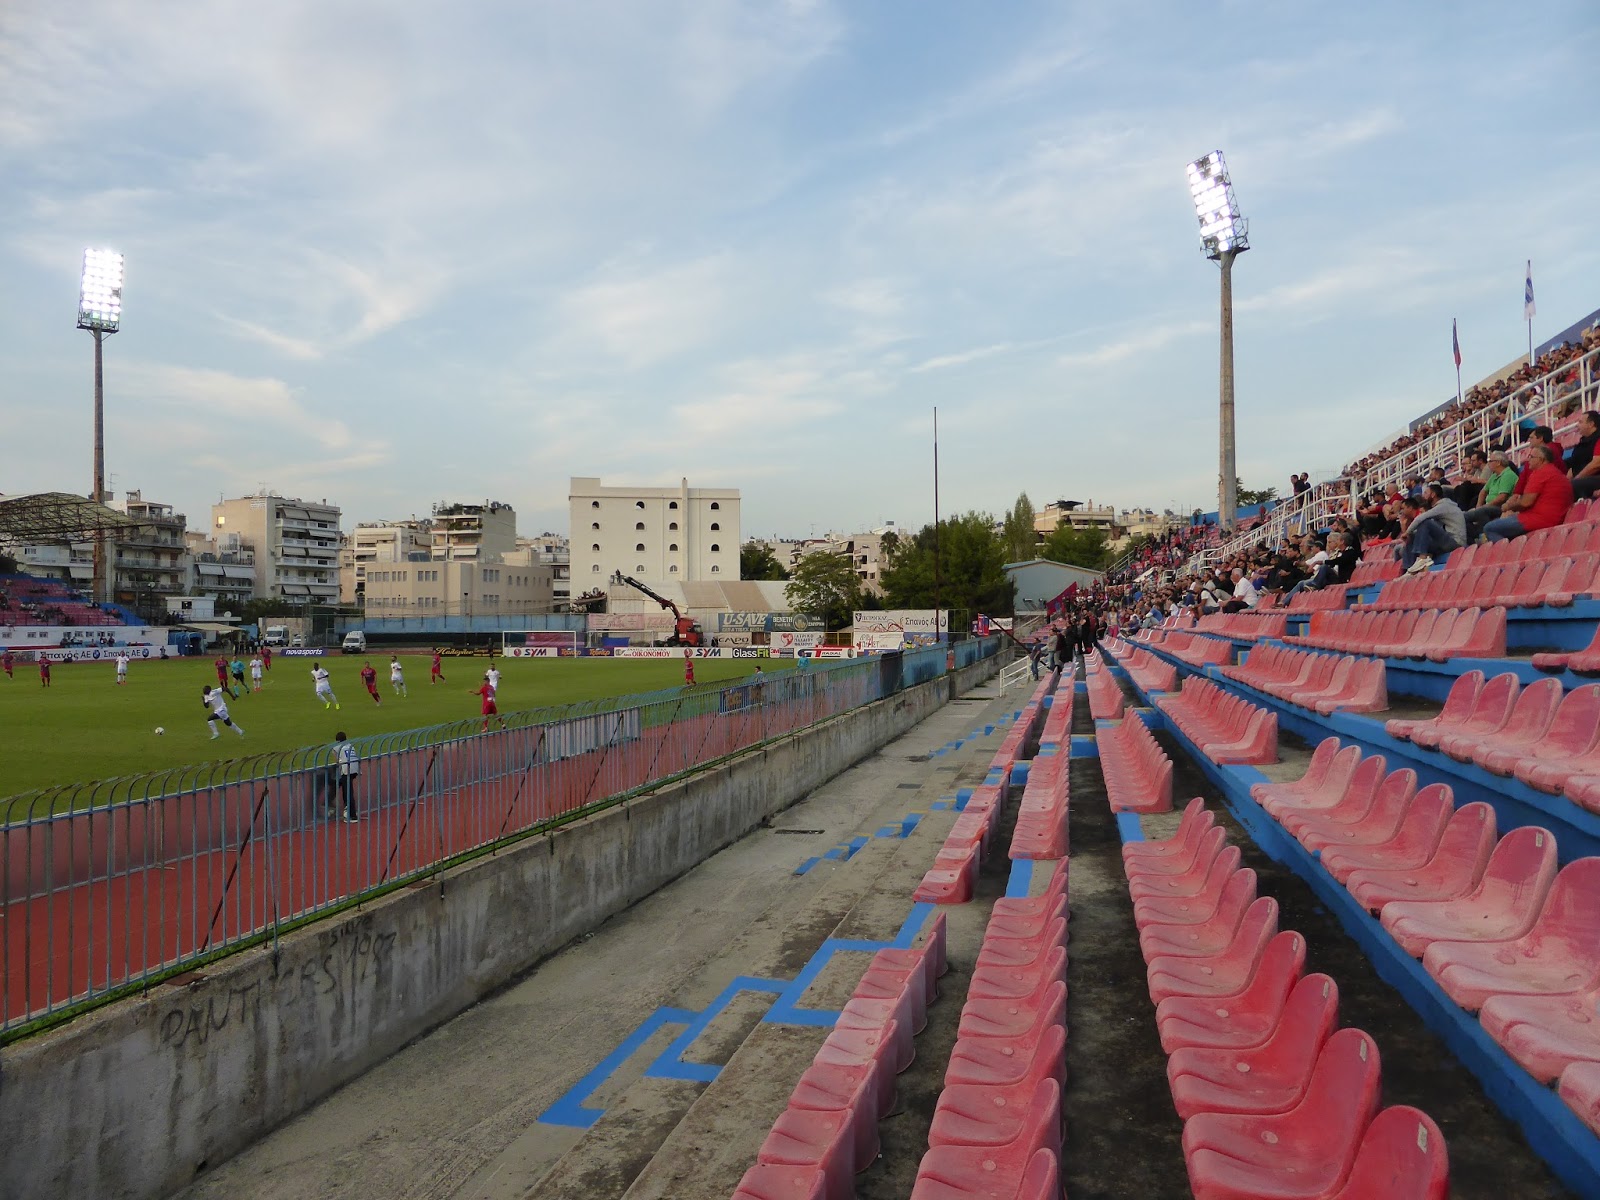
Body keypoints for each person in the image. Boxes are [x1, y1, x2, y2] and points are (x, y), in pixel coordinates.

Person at [1485, 443, 1574, 542]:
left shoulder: (1541, 473)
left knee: (1490, 528)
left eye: (1531, 457)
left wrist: (1508, 506)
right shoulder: (1555, 473)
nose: (1528, 460)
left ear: (1541, 459)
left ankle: (1508, 555)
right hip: (1551, 517)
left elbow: (1525, 502)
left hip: (1540, 519)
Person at [1396, 484, 1466, 573]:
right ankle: (1408, 570)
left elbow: (1421, 518)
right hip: (1446, 541)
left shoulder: (1444, 506)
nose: (1423, 496)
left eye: (1426, 493)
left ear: (1433, 495)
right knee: (1412, 536)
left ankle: (1422, 558)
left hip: (1455, 542)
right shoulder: (1440, 507)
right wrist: (1410, 534)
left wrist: (1407, 532)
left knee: (1425, 522)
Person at [1465, 450, 1519, 543]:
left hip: (1501, 507)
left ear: (1498, 463)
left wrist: (1486, 506)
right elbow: (1483, 491)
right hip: (1490, 506)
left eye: (1490, 461)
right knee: (1464, 517)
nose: (1488, 463)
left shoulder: (1508, 475)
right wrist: (1478, 506)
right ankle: (1474, 540)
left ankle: (1484, 537)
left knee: (1483, 511)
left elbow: (1502, 497)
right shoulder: (1494, 475)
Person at [1567, 411, 1600, 500]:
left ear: (1591, 424)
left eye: (1580, 422)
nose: (1577, 425)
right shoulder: (1582, 442)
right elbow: (1574, 465)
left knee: (1575, 485)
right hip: (1583, 478)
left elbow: (1596, 464)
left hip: (1595, 477)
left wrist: (1576, 479)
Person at [332, 732, 359, 822]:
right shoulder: (350, 745)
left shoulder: (337, 747)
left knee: (347, 792)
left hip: (347, 770)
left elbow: (337, 760)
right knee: (345, 787)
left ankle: (351, 815)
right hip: (355, 769)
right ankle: (349, 811)